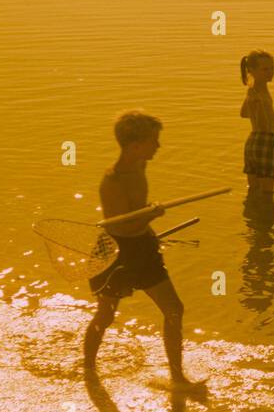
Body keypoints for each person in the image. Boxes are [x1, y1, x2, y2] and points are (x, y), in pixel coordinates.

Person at [84, 110, 203, 388]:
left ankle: (177, 377)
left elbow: (136, 214)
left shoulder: (141, 166)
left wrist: (148, 225)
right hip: (116, 252)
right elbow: (122, 228)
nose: (158, 146)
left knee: (174, 309)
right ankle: (88, 370)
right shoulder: (113, 182)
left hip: (142, 246)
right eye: (153, 141)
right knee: (106, 315)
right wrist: (151, 215)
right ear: (135, 145)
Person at [240, 50, 274, 193]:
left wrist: (270, 113)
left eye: (272, 68)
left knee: (253, 189)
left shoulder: (252, 89)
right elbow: (255, 112)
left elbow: (244, 113)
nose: (270, 72)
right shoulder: (258, 90)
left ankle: (254, 206)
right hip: (266, 141)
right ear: (251, 71)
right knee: (266, 191)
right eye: (265, 69)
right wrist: (266, 114)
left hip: (252, 142)